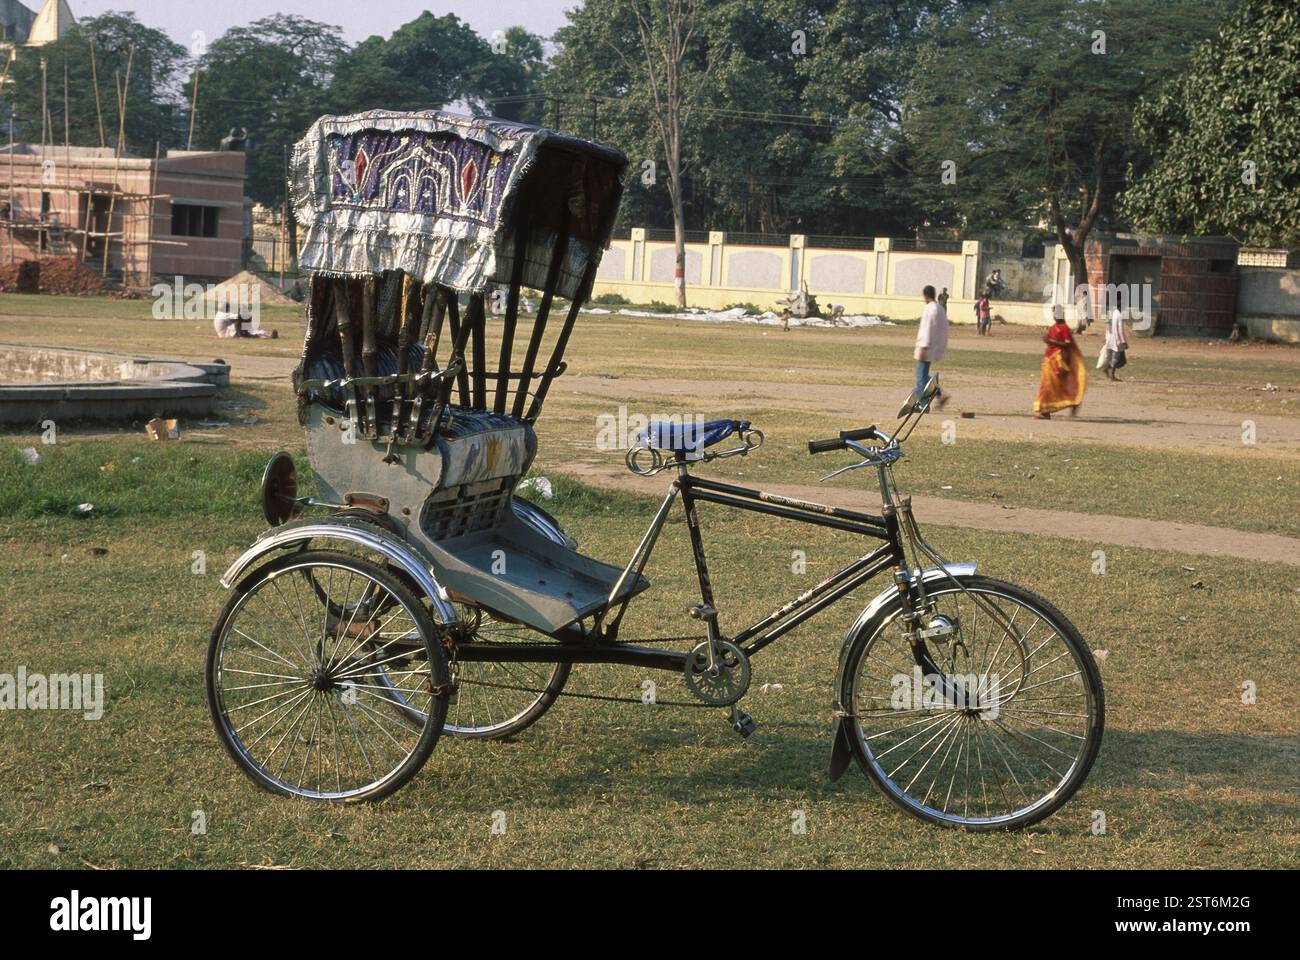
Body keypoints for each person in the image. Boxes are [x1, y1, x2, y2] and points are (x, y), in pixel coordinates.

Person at [1034, 304, 1087, 419]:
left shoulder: (1064, 328)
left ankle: (1072, 401)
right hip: (1049, 360)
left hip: (1058, 362)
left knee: (1052, 386)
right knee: (1047, 386)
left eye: (1056, 313)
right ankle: (1045, 411)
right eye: (1053, 313)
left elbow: (1067, 344)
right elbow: (1049, 339)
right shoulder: (1053, 327)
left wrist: (1051, 341)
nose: (1054, 316)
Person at [915, 285, 950, 409]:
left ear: (925, 295)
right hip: (933, 346)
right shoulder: (939, 308)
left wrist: (924, 346)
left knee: (921, 377)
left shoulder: (930, 309)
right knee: (924, 376)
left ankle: (922, 404)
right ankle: (940, 395)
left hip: (926, 346)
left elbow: (927, 329)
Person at [1102, 305, 1128, 380]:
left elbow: (1108, 327)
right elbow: (1120, 330)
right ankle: (1112, 375)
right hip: (1116, 339)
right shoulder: (1119, 315)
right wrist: (1122, 341)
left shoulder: (1112, 314)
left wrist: (1106, 338)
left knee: (1110, 356)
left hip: (1110, 338)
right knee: (1116, 357)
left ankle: (1106, 369)